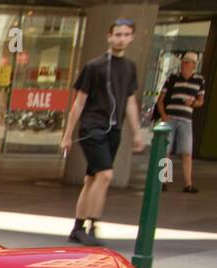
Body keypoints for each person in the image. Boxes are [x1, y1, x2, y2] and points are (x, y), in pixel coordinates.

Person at [59, 19, 147, 246]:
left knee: (92, 179)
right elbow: (79, 103)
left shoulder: (129, 67)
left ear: (131, 37)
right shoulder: (94, 66)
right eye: (117, 34)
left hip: (113, 129)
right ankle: (92, 225)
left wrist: (137, 133)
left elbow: (129, 101)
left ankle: (78, 228)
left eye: (126, 34)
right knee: (105, 175)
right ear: (109, 37)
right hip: (92, 127)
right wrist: (67, 135)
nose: (121, 38)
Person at [157, 51, 205, 193]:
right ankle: (163, 181)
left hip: (186, 119)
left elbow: (201, 102)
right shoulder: (172, 78)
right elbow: (160, 100)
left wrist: (193, 102)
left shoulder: (199, 80)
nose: (184, 64)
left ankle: (188, 184)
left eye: (187, 62)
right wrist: (164, 116)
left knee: (187, 151)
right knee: (166, 150)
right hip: (170, 118)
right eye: (183, 61)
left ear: (193, 65)